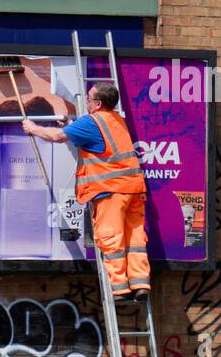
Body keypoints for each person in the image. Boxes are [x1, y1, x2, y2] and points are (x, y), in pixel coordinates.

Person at [22, 81, 149, 300]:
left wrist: (33, 128)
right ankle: (141, 284)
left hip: (111, 192)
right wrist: (71, 123)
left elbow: (57, 137)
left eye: (89, 99)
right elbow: (94, 137)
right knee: (135, 238)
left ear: (98, 103)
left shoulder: (92, 122)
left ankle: (119, 289)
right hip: (134, 189)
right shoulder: (116, 119)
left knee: (111, 238)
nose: (87, 102)